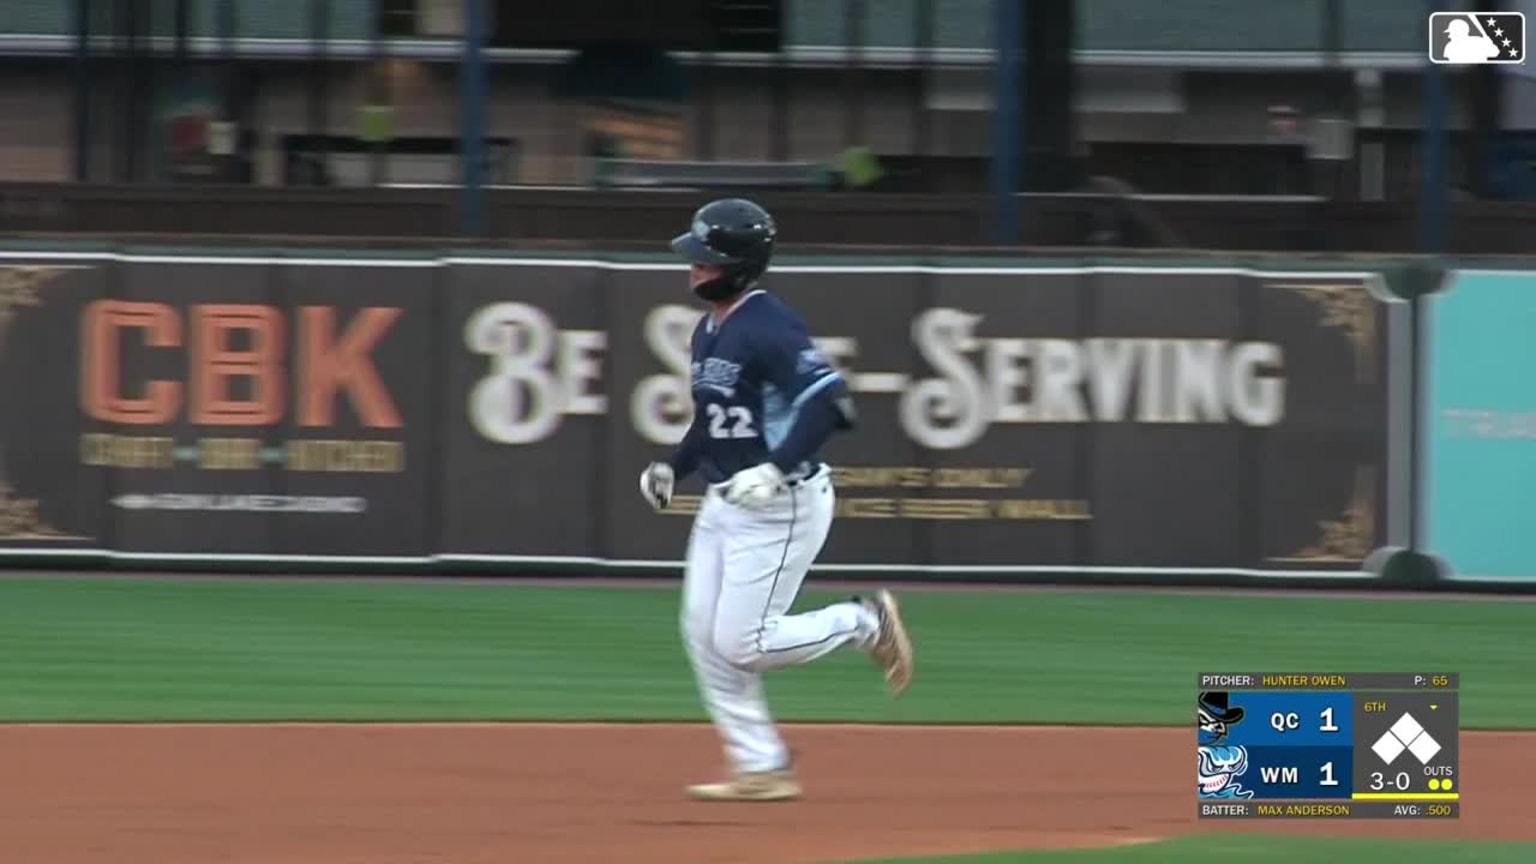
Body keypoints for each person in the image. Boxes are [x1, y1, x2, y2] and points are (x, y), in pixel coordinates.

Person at [639, 197, 915, 802]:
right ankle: (761, 764)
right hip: (724, 501)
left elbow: (832, 404)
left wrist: (775, 467)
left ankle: (863, 622)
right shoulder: (708, 330)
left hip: (782, 503)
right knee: (702, 632)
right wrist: (674, 465)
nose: (694, 269)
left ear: (738, 265)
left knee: (744, 642)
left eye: (706, 260)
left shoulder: (770, 325)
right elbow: (715, 421)